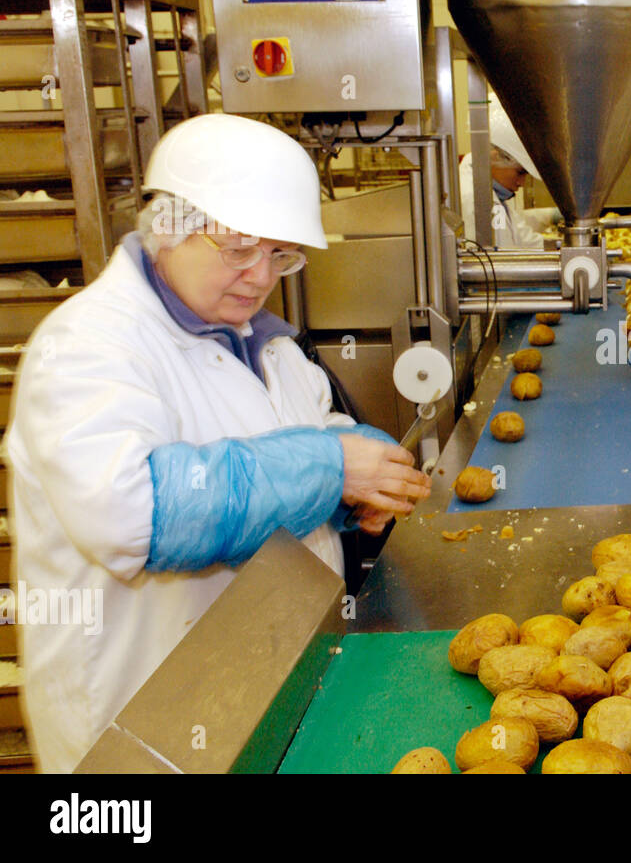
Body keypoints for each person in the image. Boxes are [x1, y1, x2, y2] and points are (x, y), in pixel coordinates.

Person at [3, 113, 431, 772]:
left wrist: (359, 477)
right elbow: (134, 514)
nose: (261, 276)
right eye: (239, 248)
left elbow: (299, 438)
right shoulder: (86, 346)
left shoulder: (268, 343)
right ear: (166, 227)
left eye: (280, 253)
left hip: (272, 681)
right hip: (145, 723)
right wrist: (327, 468)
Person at [457, 96, 552, 250]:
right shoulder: (473, 200)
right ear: (495, 156)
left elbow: (520, 236)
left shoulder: (495, 193)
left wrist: (560, 246)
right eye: (520, 172)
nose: (521, 183)